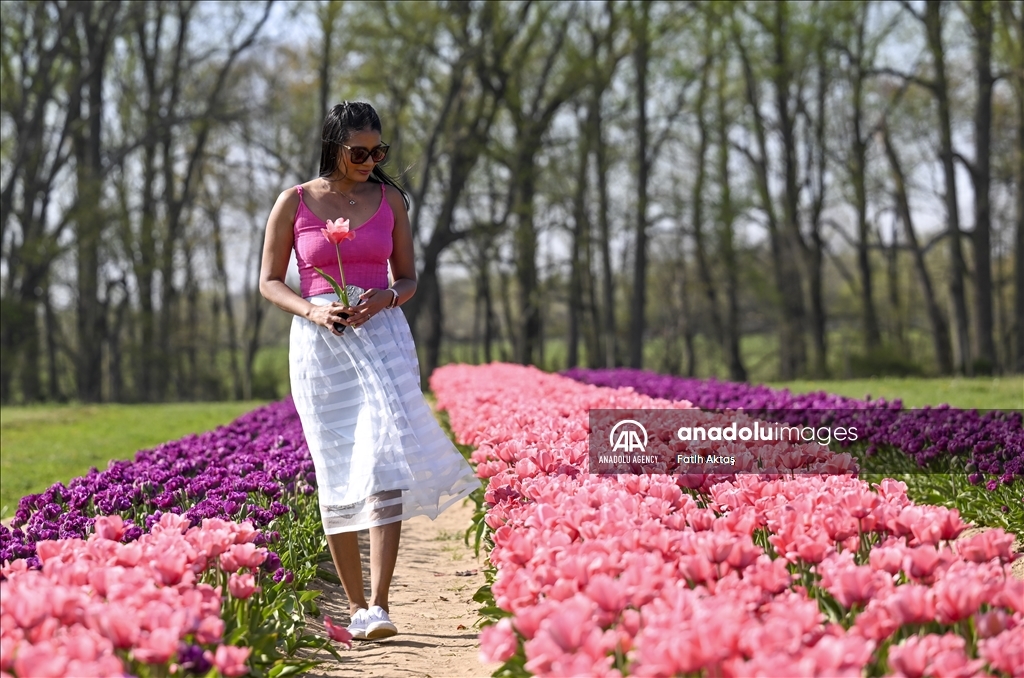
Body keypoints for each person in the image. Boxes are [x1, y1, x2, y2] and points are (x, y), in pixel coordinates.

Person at [258, 101, 480, 640]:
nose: (370, 160)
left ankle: (379, 604)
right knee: (337, 466)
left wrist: (384, 298)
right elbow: (269, 280)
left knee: (383, 459)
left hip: (382, 337)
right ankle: (355, 605)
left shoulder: (390, 201)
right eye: (360, 151)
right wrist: (313, 310)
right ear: (335, 145)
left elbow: (408, 279)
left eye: (378, 151)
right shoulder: (294, 202)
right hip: (321, 345)